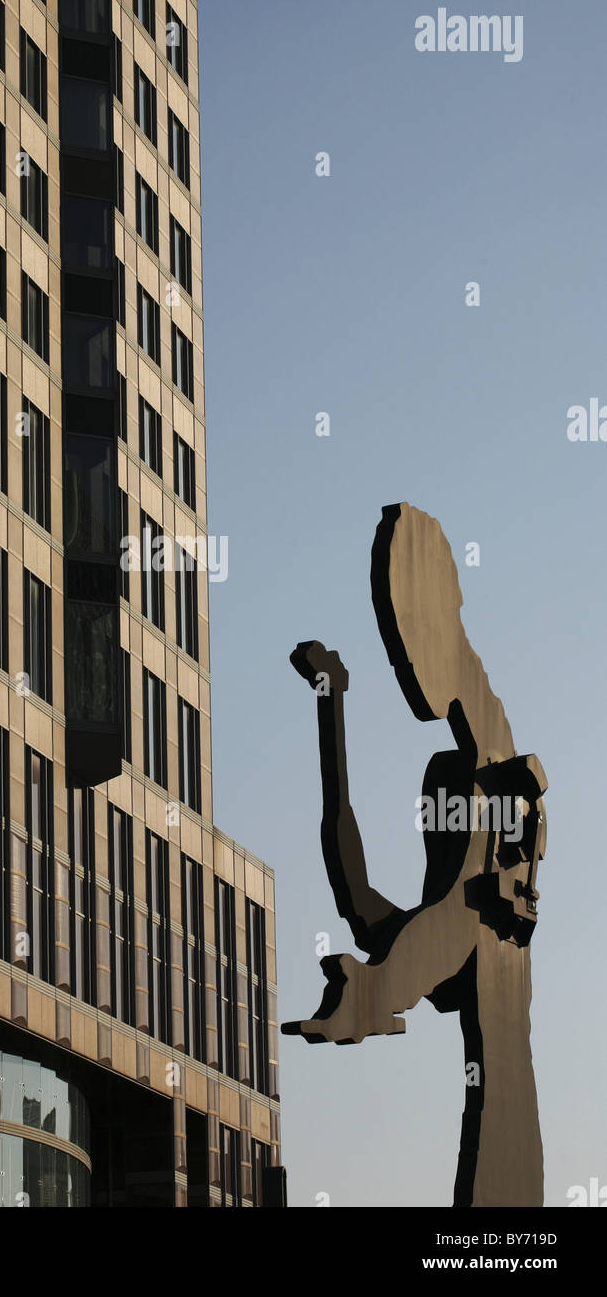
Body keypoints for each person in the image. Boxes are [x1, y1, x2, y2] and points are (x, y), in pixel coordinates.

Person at [283, 503, 546, 1207]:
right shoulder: (463, 764)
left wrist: (376, 991)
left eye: (408, 624)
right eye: (393, 633)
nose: (402, 654)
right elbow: (363, 903)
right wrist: (330, 709)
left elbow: (460, 916)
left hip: (506, 1146)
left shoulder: (495, 751)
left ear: (447, 607)